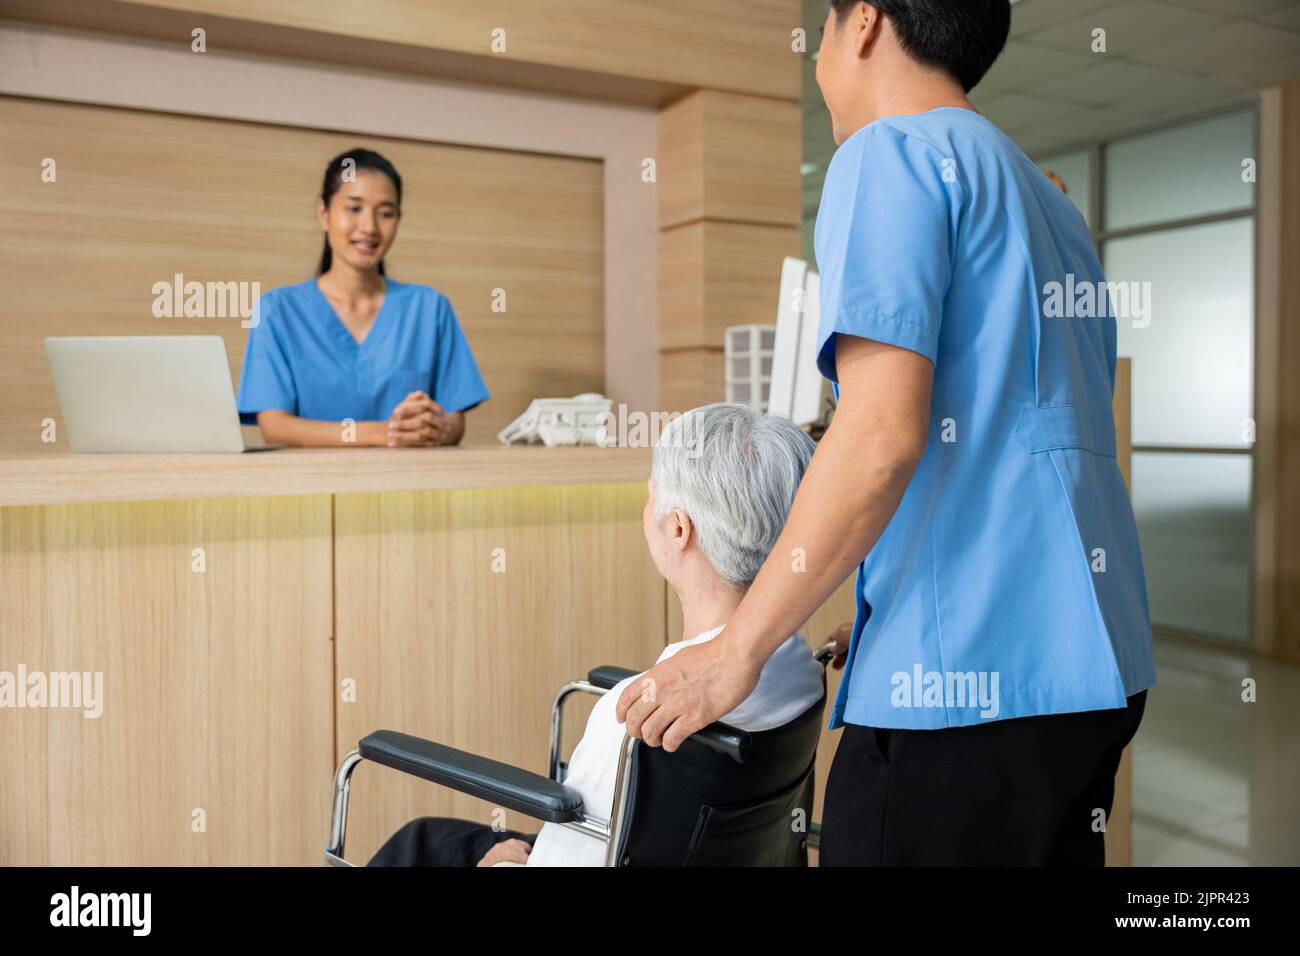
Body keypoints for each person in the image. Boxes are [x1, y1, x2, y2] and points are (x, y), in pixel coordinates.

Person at [616, 0, 1156, 866]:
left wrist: (737, 650)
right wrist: (888, 606)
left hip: (967, 690)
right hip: (1095, 667)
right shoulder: (1052, 205)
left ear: (861, 21)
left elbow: (881, 436)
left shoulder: (889, 153)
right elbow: (1014, 434)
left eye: (823, 31)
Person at [367, 403, 825, 866]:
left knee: (418, 844)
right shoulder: (801, 667)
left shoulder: (636, 714)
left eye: (652, 496)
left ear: (679, 529)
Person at [237, 148, 488, 447]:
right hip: (312, 488)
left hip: (409, 488)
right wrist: (378, 433)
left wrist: (430, 426)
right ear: (324, 213)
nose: (369, 227)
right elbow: (275, 427)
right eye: (354, 208)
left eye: (385, 213)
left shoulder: (430, 308)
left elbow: (455, 421)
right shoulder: (277, 311)